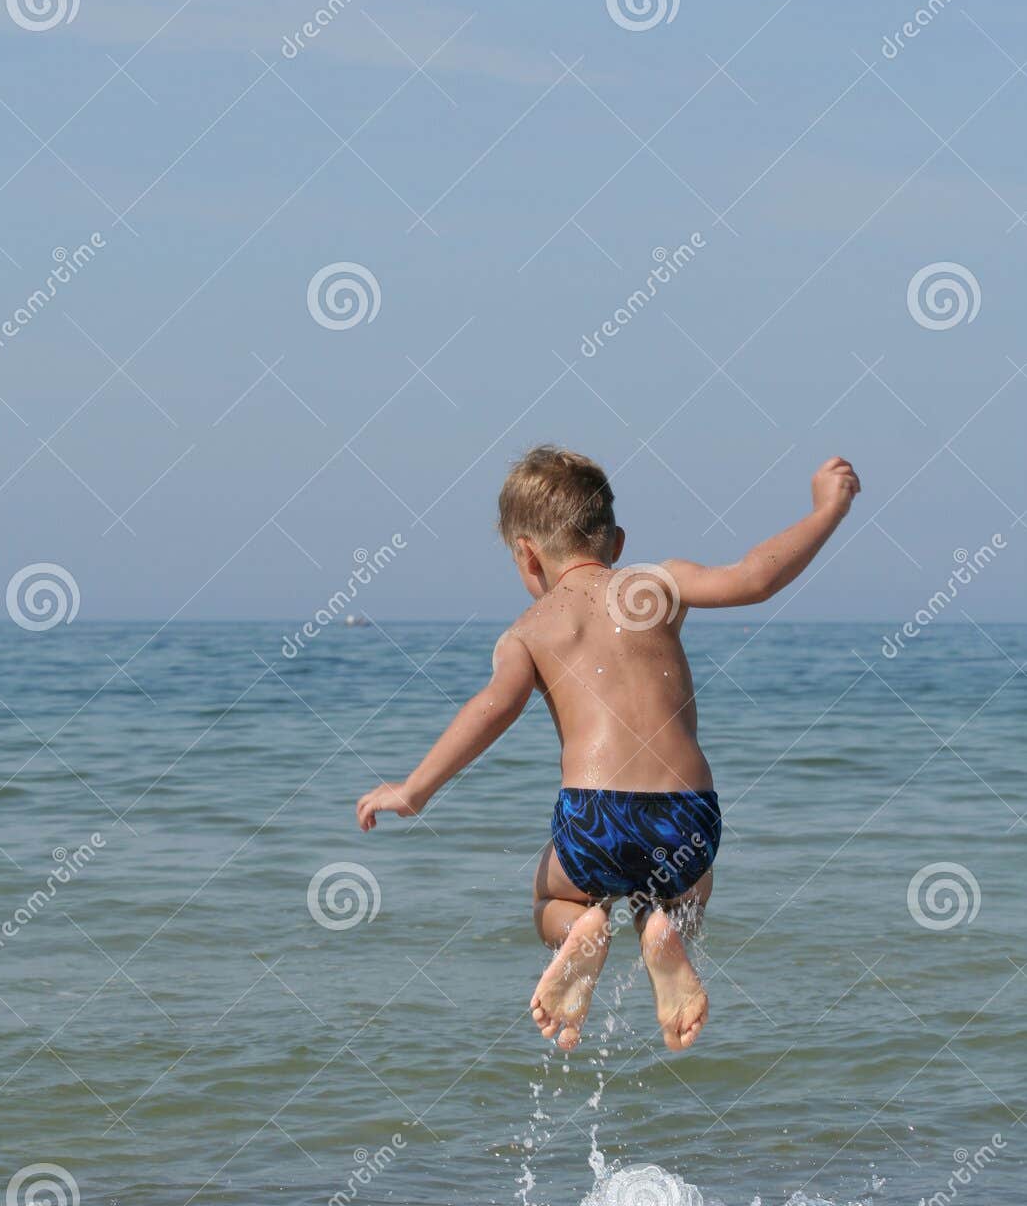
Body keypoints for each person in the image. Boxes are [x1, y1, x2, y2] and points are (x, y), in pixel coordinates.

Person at [357, 446, 860, 1052]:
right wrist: (828, 509)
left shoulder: (531, 629)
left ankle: (583, 927)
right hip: (685, 813)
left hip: (593, 817)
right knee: (687, 888)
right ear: (617, 542)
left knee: (550, 895)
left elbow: (494, 708)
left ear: (526, 553)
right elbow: (757, 577)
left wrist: (414, 790)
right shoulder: (657, 585)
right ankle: (662, 927)